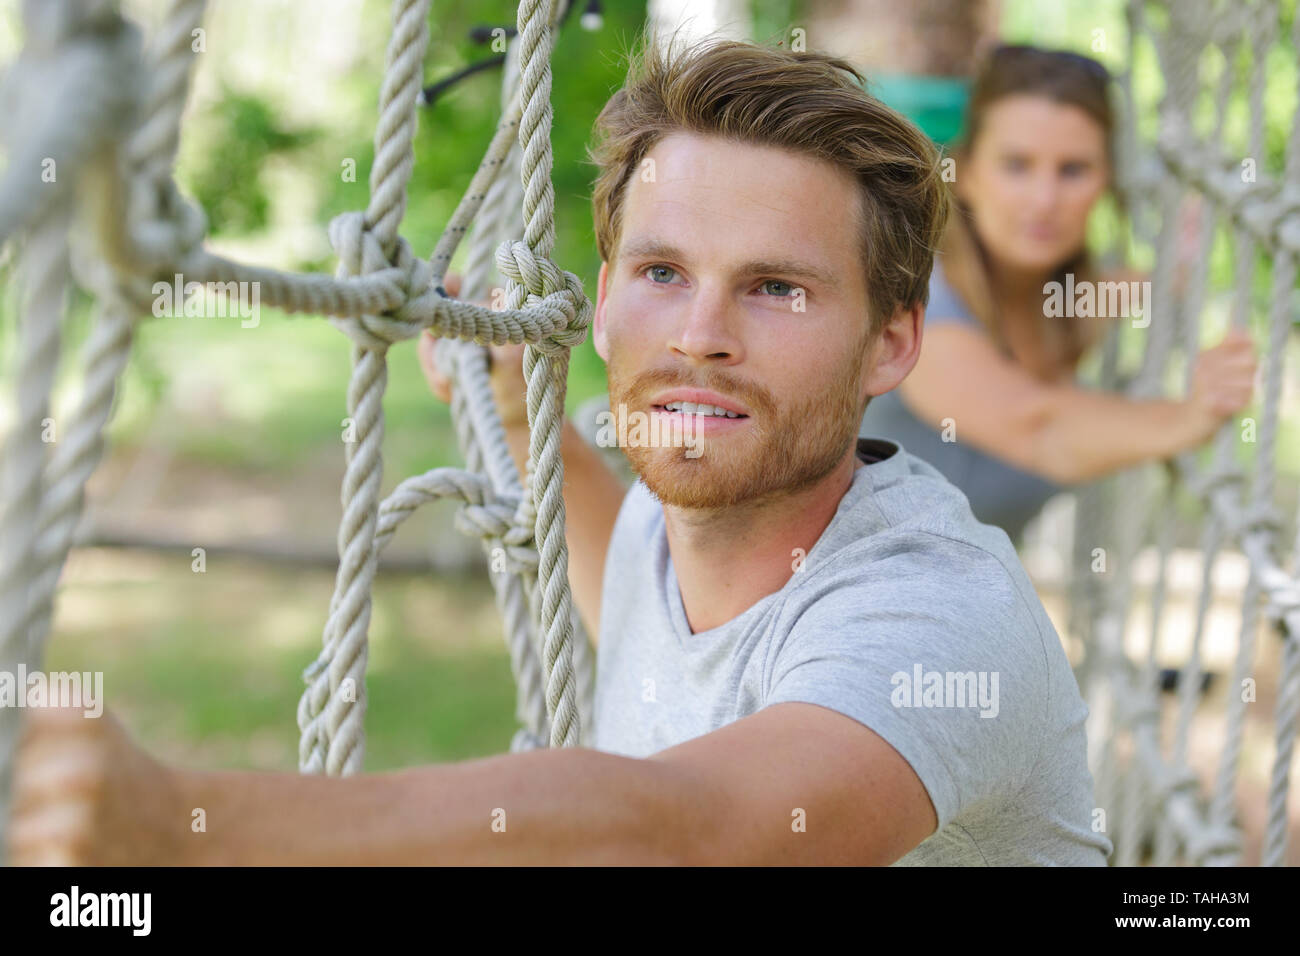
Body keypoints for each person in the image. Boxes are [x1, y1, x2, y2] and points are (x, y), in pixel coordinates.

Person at [10, 35, 1112, 866]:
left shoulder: (935, 615)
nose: (698, 334)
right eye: (661, 273)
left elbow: (702, 830)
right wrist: (510, 395)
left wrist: (189, 830)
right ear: (599, 305)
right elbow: (614, 553)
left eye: (776, 288)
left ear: (892, 340)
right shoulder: (668, 545)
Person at [859, 44, 1257, 545]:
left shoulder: (1069, 301)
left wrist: (1181, 262)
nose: (1044, 201)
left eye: (1073, 170)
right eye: (1016, 165)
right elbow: (1039, 428)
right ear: (968, 174)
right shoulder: (916, 300)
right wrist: (1189, 416)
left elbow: (1140, 287)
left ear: (1105, 183)